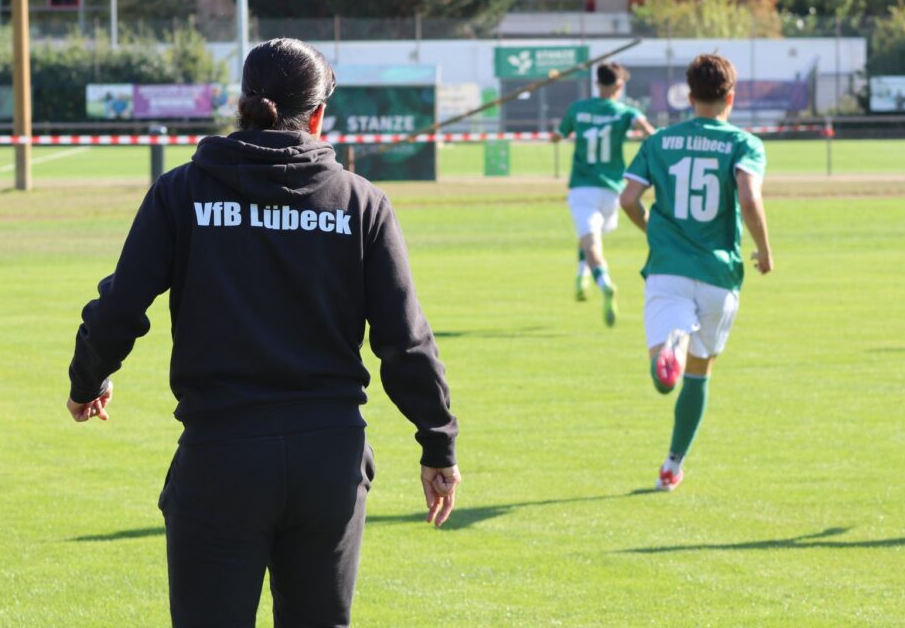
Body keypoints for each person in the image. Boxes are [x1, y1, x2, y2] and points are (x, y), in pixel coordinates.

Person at [65, 38, 461, 627]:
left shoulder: (182, 192)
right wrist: (438, 442)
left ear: (241, 103)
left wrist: (88, 379)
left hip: (221, 458)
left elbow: (120, 306)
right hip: (328, 462)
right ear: (318, 114)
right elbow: (405, 342)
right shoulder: (361, 202)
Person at [619, 53, 773, 492]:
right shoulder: (744, 144)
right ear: (731, 97)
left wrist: (652, 229)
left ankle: (670, 346)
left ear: (689, 97)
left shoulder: (660, 141)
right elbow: (748, 199)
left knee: (665, 372)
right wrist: (763, 250)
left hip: (668, 268)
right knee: (699, 373)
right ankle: (672, 465)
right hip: (719, 274)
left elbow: (629, 199)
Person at [553, 61, 654, 326]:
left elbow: (558, 135)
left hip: (582, 187)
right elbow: (648, 131)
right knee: (589, 237)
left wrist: (555, 135)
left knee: (591, 242)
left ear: (597, 84)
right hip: (612, 191)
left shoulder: (578, 109)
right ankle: (581, 274)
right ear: (619, 86)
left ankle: (604, 281)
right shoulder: (625, 111)